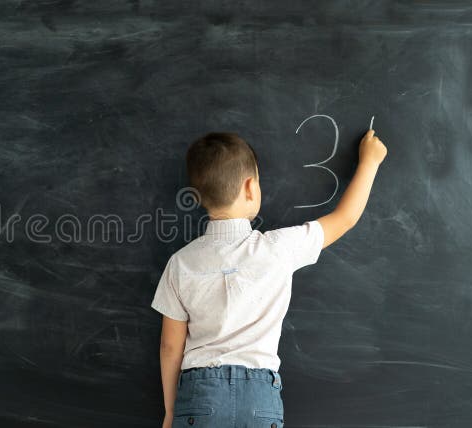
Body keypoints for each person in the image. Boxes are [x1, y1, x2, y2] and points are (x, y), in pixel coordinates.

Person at [151, 129, 387, 427]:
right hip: (259, 396)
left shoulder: (180, 263)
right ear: (251, 187)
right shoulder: (279, 248)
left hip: (200, 397)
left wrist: (171, 412)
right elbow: (346, 218)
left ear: (197, 196)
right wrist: (370, 161)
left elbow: (170, 347)